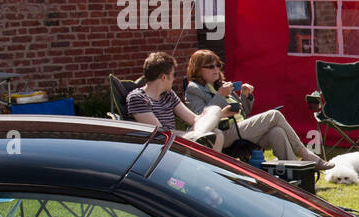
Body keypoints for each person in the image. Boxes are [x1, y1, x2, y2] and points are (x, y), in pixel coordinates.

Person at [184, 49, 333, 169]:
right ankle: (306, 154)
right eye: (210, 66)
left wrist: (245, 97)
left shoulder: (220, 84)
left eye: (218, 65)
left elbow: (243, 114)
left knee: (277, 132)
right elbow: (199, 120)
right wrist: (219, 96)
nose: (216, 69)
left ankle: (298, 174)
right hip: (221, 133)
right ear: (198, 70)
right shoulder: (194, 89)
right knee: (274, 115)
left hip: (238, 130)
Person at [127, 51, 225, 150]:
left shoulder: (168, 94)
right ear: (163, 77)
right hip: (162, 145)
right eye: (174, 74)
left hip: (181, 137)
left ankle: (197, 137)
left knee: (214, 112)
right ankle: (196, 139)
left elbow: (194, 119)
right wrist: (189, 135)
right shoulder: (137, 98)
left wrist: (216, 114)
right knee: (215, 133)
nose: (174, 79)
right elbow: (160, 133)